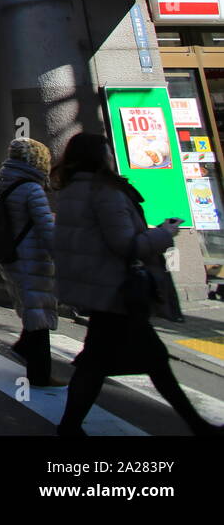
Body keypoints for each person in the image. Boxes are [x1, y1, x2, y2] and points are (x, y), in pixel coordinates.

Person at [52, 133, 218, 436]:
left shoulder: (71, 190)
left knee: (100, 362)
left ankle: (70, 427)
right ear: (100, 156)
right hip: (117, 289)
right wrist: (165, 233)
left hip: (101, 288)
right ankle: (198, 427)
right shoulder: (104, 191)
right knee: (146, 361)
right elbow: (125, 244)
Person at [0, 138, 59, 386]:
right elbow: (46, 228)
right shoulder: (31, 189)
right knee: (38, 314)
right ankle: (40, 374)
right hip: (32, 258)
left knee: (32, 309)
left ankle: (24, 348)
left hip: (10, 256)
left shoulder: (0, 182)